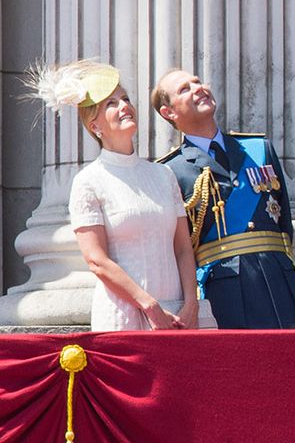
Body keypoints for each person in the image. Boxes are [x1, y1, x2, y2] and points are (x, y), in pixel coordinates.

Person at [28, 60, 205, 330]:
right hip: (124, 317)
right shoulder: (88, 181)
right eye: (111, 103)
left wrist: (191, 303)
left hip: (177, 314)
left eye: (125, 99)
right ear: (94, 124)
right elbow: (97, 260)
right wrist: (148, 304)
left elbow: (182, 248)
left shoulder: (163, 175)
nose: (124, 106)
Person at [151, 69, 295, 329]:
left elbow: (284, 222)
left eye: (197, 81)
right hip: (226, 290)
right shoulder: (170, 170)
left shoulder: (258, 148)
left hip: (280, 281)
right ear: (168, 112)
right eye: (184, 89)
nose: (198, 88)